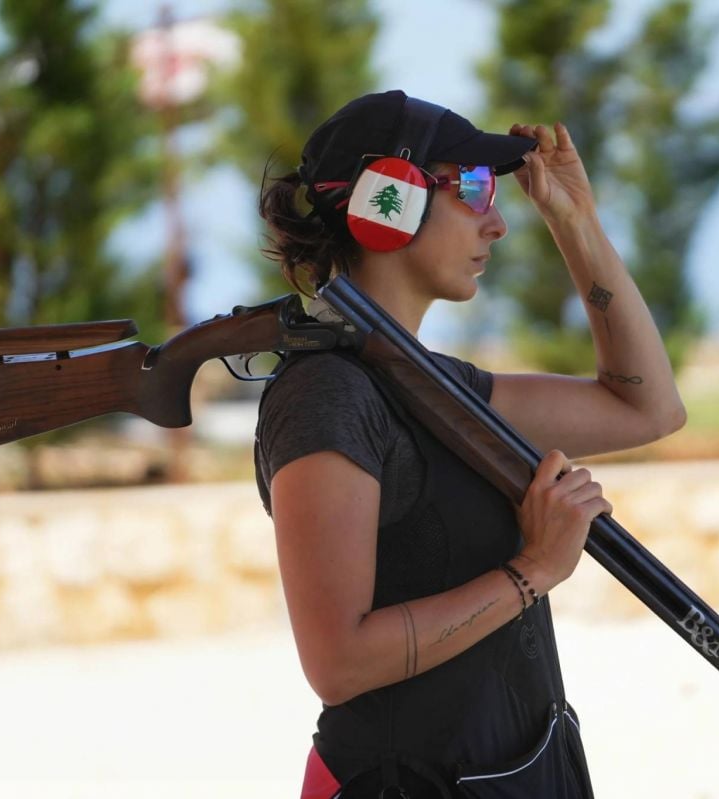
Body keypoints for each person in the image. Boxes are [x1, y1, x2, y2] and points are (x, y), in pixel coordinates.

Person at [254, 90, 686, 798]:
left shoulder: (437, 388)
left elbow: (647, 407)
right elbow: (338, 660)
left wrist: (575, 223)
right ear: (387, 202)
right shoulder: (326, 396)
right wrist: (534, 570)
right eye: (475, 186)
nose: (497, 222)